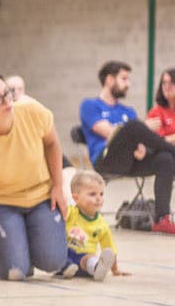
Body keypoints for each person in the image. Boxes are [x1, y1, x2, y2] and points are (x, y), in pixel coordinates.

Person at [0, 73, 68, 281]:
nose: (6, 101)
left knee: (53, 263)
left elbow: (52, 143)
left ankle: (20, 240)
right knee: (16, 272)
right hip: (0, 203)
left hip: (40, 196)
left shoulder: (32, 111)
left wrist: (58, 186)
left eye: (7, 93)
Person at [80, 61, 175, 234]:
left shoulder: (128, 110)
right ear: (110, 80)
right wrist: (141, 128)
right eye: (124, 79)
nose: (128, 84)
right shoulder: (90, 105)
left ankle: (162, 219)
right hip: (106, 160)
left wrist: (141, 146)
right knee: (133, 126)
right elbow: (109, 132)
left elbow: (140, 147)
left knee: (165, 159)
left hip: (130, 161)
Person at [62, 170, 130, 281]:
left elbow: (110, 248)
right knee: (62, 252)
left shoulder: (102, 224)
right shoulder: (71, 212)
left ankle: (96, 268)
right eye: (92, 194)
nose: (98, 198)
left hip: (84, 262)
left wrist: (115, 269)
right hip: (63, 256)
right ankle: (68, 267)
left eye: (101, 194)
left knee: (89, 258)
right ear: (76, 198)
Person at [147, 67, 175, 144]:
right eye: (164, 83)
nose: (167, 87)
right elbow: (158, 143)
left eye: (172, 82)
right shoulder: (156, 112)